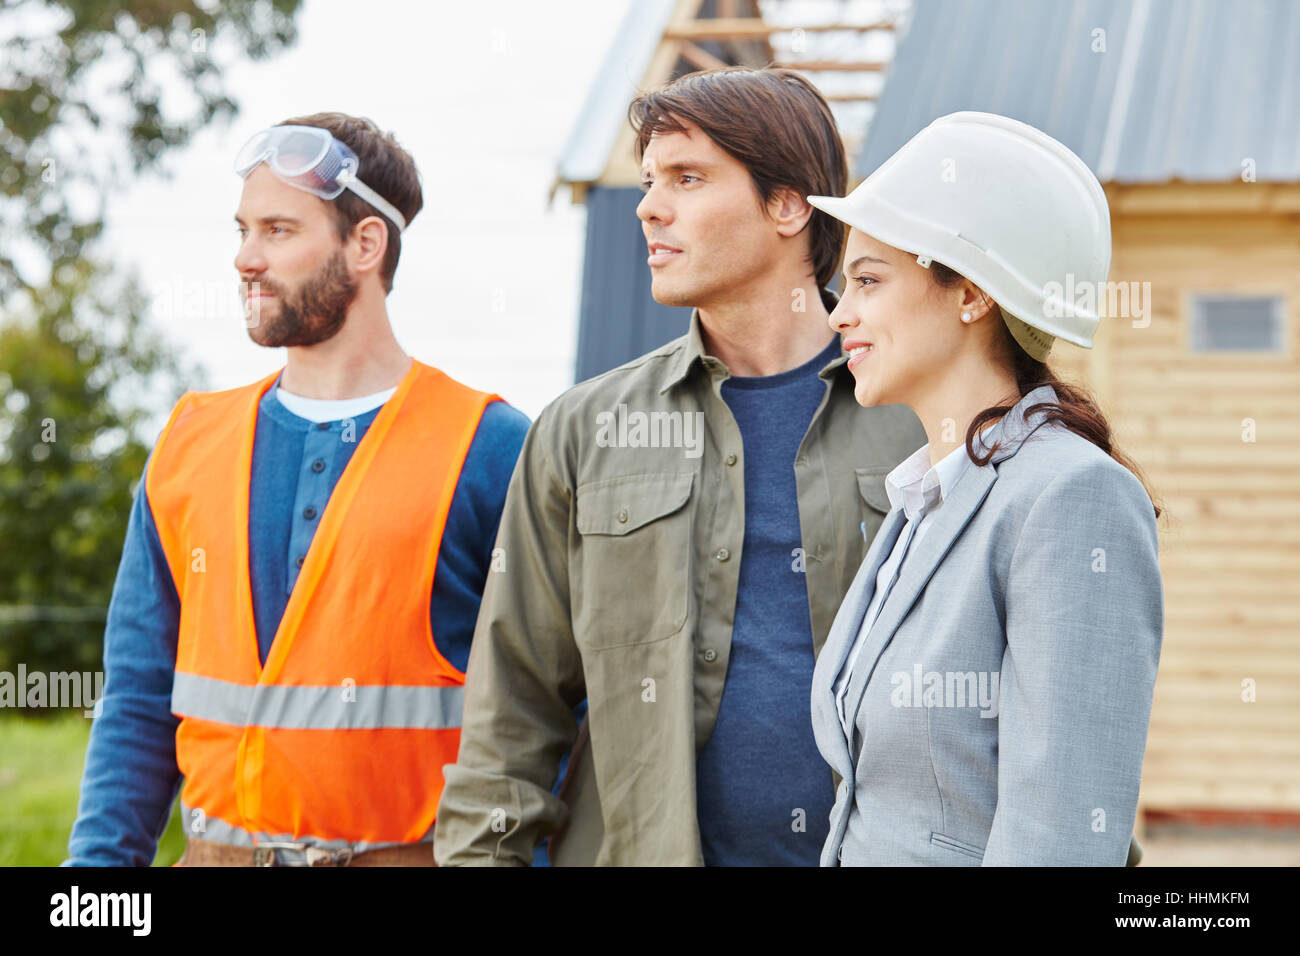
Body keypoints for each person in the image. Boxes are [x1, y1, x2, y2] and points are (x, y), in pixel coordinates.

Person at [433, 67, 925, 866]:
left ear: (789, 204)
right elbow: (510, 719)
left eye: (688, 178)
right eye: (650, 180)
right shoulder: (582, 431)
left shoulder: (922, 420)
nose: (649, 207)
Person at [63, 113, 529, 866]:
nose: (246, 258)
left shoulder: (492, 447)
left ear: (365, 245)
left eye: (278, 230)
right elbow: (138, 701)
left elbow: (550, 718)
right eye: (243, 230)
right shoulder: (188, 442)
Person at [806, 111, 1164, 866]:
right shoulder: (925, 498)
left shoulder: (1072, 497)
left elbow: (1061, 836)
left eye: (869, 281)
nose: (841, 314)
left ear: (971, 294)